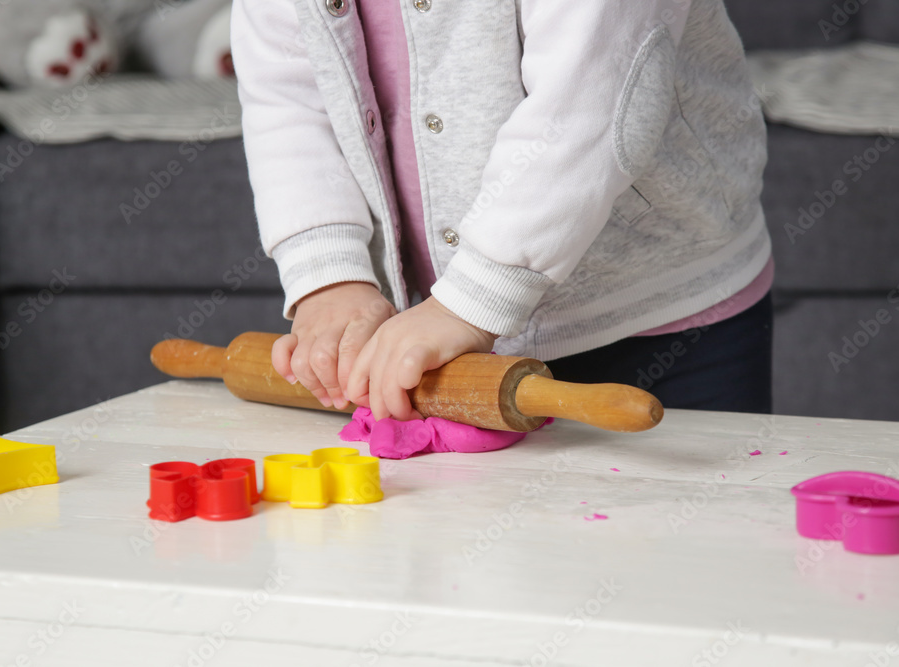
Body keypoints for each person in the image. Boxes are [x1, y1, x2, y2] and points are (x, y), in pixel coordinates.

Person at [231, 0, 774, 423]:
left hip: (661, 311)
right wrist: (329, 276)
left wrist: (473, 300)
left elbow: (591, 97)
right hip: (441, 340)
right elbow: (286, 93)